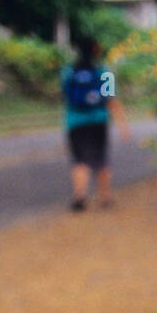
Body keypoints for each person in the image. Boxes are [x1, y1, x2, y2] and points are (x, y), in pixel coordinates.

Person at [60, 36, 130, 210]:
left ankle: (80, 196)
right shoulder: (104, 72)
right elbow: (112, 100)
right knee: (100, 159)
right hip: (98, 121)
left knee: (80, 160)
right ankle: (105, 197)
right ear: (95, 50)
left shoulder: (68, 71)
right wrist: (123, 125)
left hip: (75, 122)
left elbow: (66, 98)